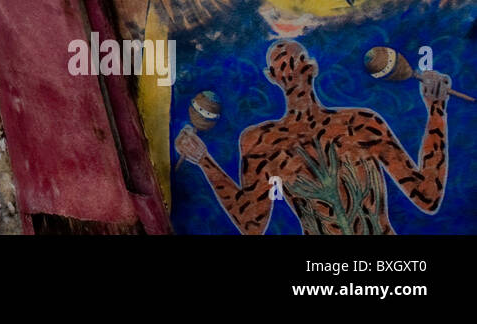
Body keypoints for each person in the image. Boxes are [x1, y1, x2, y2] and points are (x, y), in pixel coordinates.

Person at [175, 40, 450, 234]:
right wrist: (204, 162)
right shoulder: (262, 143)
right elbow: (251, 223)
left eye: (296, 60)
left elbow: (427, 196)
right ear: (272, 76)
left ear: (312, 67)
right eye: (282, 64)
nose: (291, 68)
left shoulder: (361, 124)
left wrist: (436, 110)